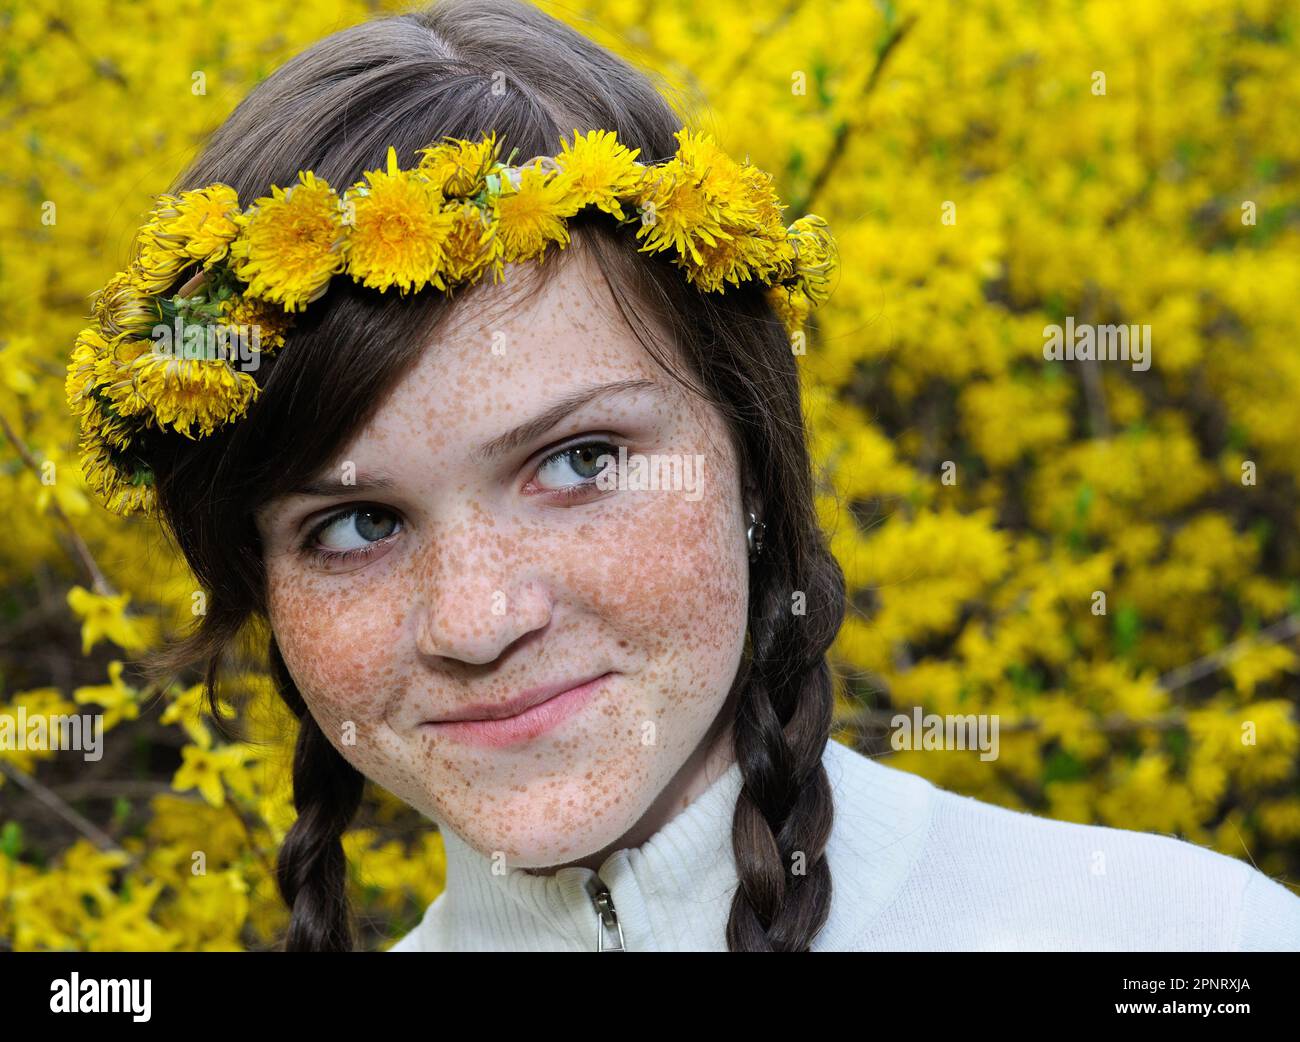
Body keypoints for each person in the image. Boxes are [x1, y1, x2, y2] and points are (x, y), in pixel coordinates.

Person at [67, 0, 1300, 952]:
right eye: (352, 525)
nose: (479, 620)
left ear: (754, 461)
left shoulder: (1177, 939)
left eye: (579, 459)